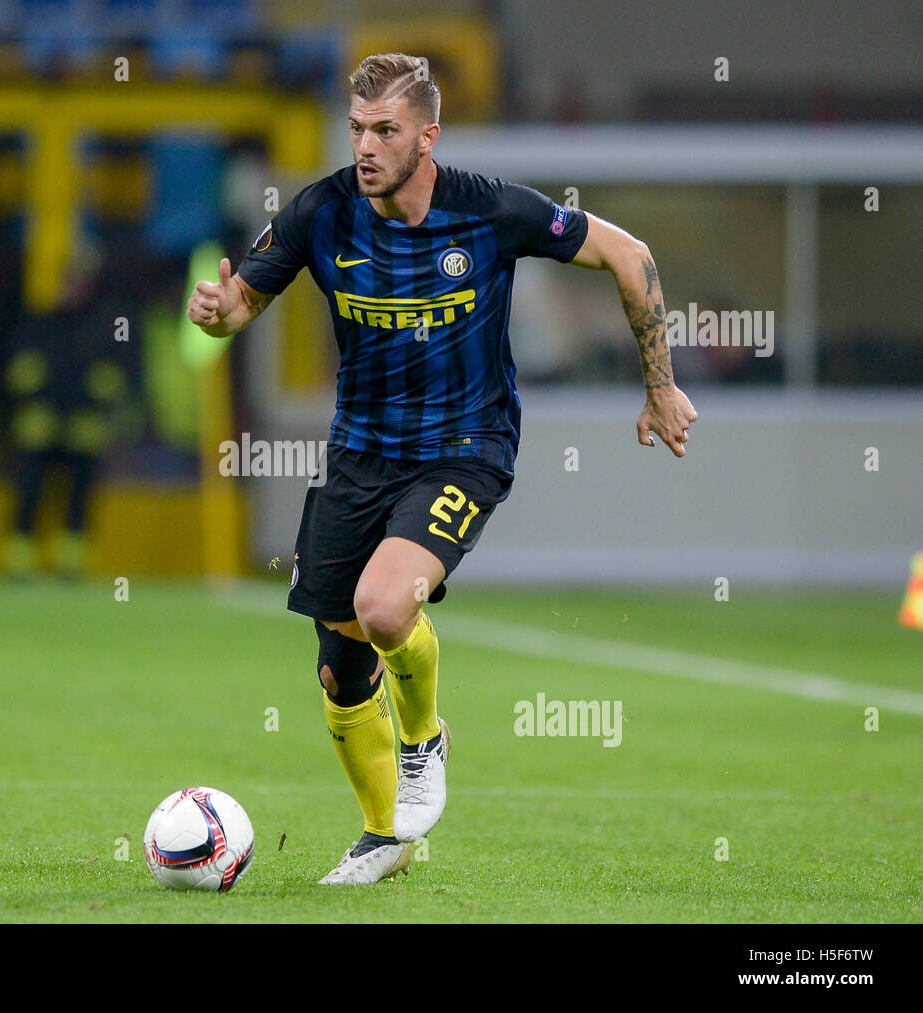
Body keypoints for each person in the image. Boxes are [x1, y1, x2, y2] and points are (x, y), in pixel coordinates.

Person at [187, 53, 698, 885]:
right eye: (356, 129)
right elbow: (237, 307)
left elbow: (629, 253)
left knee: (384, 605)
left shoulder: (489, 209)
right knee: (340, 663)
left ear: (428, 136)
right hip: (359, 455)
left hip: (466, 446)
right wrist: (214, 314)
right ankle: (383, 834)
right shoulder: (321, 213)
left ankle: (424, 739)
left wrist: (661, 384)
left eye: (385, 130)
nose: (366, 147)